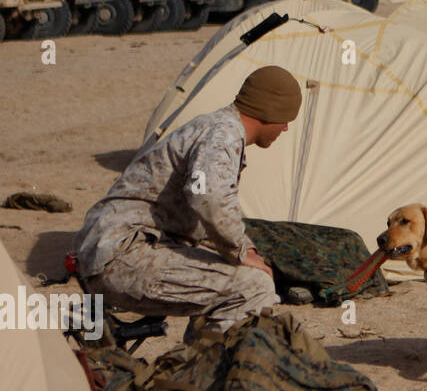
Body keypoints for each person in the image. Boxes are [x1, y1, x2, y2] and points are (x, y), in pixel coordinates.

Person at [75, 66, 302, 341]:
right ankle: (208, 373)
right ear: (270, 112)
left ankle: (194, 367)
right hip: (123, 256)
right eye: (285, 118)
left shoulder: (214, 127)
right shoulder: (224, 135)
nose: (286, 127)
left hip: (114, 249)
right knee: (254, 285)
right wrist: (240, 251)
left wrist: (245, 251)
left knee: (236, 273)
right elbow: (208, 197)